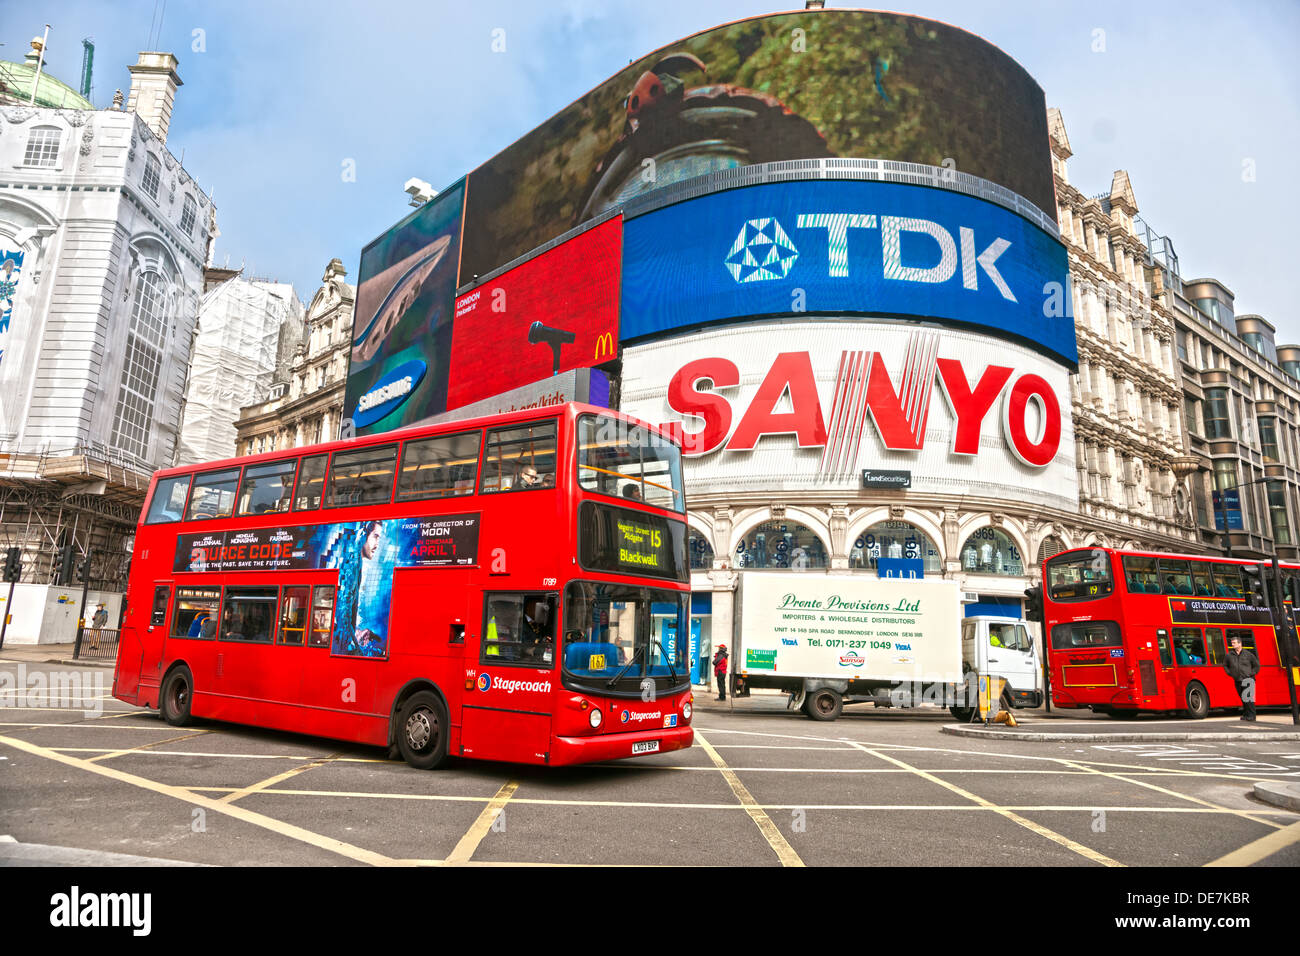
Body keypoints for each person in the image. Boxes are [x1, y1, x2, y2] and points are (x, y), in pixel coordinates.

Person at [1224, 634, 1261, 721]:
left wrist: (1251, 673)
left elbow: (1256, 666)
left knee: (1249, 698)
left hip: (1248, 679)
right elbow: (1225, 665)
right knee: (1243, 698)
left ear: (1240, 643)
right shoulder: (1229, 655)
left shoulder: (1248, 654)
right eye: (1232, 643)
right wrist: (1230, 673)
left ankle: (1252, 716)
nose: (1232, 644)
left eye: (1234, 643)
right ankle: (1246, 715)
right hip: (1237, 679)